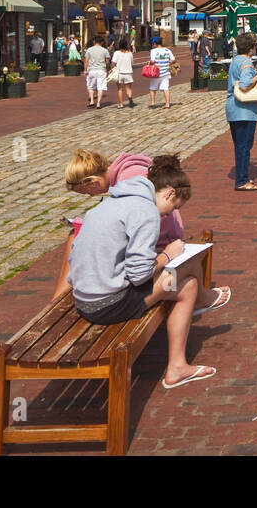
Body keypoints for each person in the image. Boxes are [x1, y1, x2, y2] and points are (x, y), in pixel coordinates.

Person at [67, 154, 218, 388]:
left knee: (183, 279)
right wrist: (167, 255)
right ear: (168, 193)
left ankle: (201, 302)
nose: (168, 215)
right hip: (106, 304)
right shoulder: (145, 211)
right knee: (188, 284)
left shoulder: (109, 203)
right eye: (172, 209)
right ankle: (177, 366)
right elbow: (139, 276)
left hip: (83, 297)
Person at [55, 149, 230, 313]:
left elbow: (144, 229)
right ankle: (58, 302)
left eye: (87, 192)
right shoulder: (128, 176)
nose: (91, 196)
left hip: (159, 244)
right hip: (150, 248)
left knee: (188, 278)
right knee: (187, 282)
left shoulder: (130, 179)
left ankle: (57, 303)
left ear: (93, 182)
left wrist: (165, 255)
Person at [226, 32, 257, 190]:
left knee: (239, 145)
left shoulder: (235, 60)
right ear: (251, 48)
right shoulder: (247, 64)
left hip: (233, 109)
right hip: (244, 110)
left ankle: (242, 176)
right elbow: (244, 85)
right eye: (255, 46)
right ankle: (242, 180)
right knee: (244, 145)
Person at [147, 36, 176, 108]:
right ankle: (167, 104)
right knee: (165, 88)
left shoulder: (154, 51)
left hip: (156, 72)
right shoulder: (167, 50)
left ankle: (153, 102)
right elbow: (173, 59)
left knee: (152, 87)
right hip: (166, 72)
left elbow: (152, 61)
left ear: (155, 43)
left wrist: (149, 63)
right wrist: (168, 62)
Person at [83, 36, 110, 109]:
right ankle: (98, 103)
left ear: (94, 42)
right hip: (101, 70)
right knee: (100, 87)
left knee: (91, 86)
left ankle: (92, 101)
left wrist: (85, 70)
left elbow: (86, 61)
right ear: (101, 42)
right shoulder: (105, 50)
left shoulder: (89, 50)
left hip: (91, 70)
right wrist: (107, 69)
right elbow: (107, 62)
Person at [111, 39, 136, 108]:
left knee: (120, 89)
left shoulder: (116, 53)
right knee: (128, 88)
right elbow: (131, 62)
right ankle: (130, 98)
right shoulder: (130, 53)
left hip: (120, 73)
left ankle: (120, 104)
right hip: (128, 72)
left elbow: (113, 63)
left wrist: (111, 69)